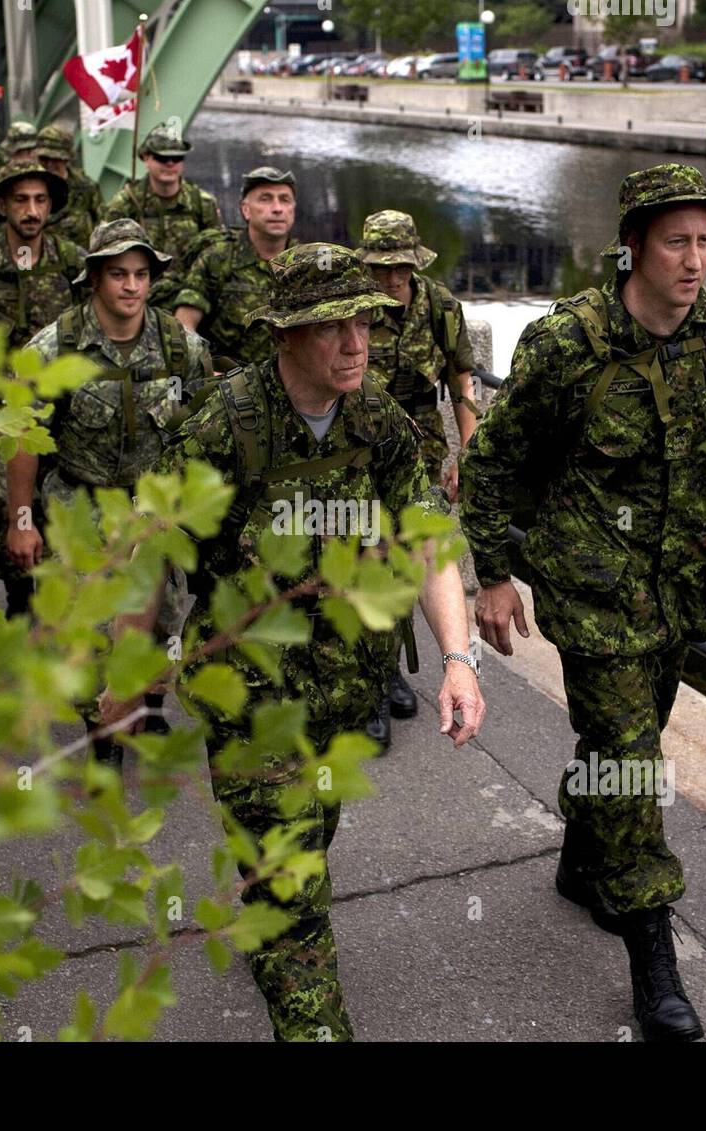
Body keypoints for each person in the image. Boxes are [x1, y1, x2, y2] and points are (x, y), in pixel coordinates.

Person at [460, 163, 706, 1043]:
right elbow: (494, 465)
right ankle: (656, 968)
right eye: (677, 241)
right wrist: (493, 573)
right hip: (595, 596)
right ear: (633, 246)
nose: (695, 259)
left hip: (684, 593)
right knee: (630, 756)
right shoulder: (566, 346)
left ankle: (579, 861)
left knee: (627, 740)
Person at [103, 244, 487, 1041]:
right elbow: (155, 553)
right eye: (331, 329)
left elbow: (428, 540)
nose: (355, 345)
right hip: (248, 694)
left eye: (363, 325)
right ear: (284, 336)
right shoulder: (226, 423)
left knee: (314, 832)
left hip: (347, 687)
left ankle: (267, 903)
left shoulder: (376, 414)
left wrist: (456, 657)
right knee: (296, 902)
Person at [5, 219, 211, 753]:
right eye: (118, 273)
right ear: (94, 278)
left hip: (154, 508)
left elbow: (205, 430)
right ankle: (99, 735)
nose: (131, 286)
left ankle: (142, 702)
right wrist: (20, 521)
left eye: (141, 274)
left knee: (164, 619)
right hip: (81, 504)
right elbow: (23, 439)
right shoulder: (55, 349)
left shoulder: (181, 347)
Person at [356, 209, 482, 748]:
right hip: (361, 444)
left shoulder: (438, 305)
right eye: (381, 269)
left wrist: (467, 453)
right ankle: (365, 685)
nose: (391, 280)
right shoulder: (354, 308)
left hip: (421, 446)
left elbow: (462, 382)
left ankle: (386, 666)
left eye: (399, 269)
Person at [0, 161, 85, 616]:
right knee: (4, 512)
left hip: (61, 412)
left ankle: (51, 615)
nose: (31, 210)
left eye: (40, 200)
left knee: (60, 510)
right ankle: (21, 604)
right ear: (3, 205)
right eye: (22, 200)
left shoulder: (72, 263)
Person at [172, 166, 297, 370]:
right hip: (231, 385)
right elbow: (184, 324)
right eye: (265, 199)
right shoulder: (218, 257)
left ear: (293, 209)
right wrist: (205, 372)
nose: (277, 208)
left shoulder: (305, 264)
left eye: (285, 200)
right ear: (245, 209)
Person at [101, 124, 222, 263]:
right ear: (146, 158)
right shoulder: (125, 203)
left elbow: (217, 252)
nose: (170, 164)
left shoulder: (203, 203)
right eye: (162, 158)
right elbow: (107, 255)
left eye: (177, 158)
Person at [32, 124, 101, 248]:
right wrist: (23, 266)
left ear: (67, 159)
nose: (49, 164)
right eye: (44, 158)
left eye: (56, 158)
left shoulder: (86, 188)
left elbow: (102, 228)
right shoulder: (26, 189)